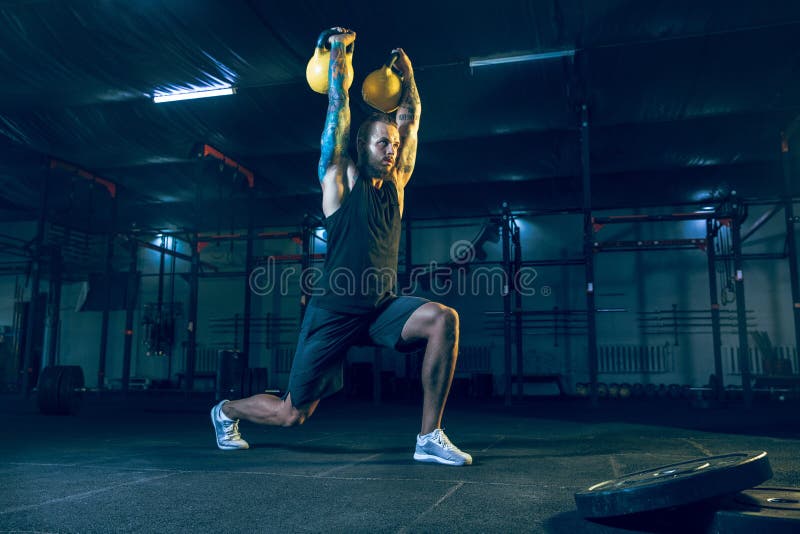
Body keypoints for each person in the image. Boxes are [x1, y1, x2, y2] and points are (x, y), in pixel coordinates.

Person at [211, 28, 471, 466]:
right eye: (383, 142)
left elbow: (411, 122)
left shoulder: (396, 187)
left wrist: (408, 79)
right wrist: (337, 55)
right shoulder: (341, 180)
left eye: (393, 144)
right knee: (292, 414)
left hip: (380, 308)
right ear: (361, 146)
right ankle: (226, 411)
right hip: (333, 311)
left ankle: (429, 437)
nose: (392, 150)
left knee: (444, 319)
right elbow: (337, 111)